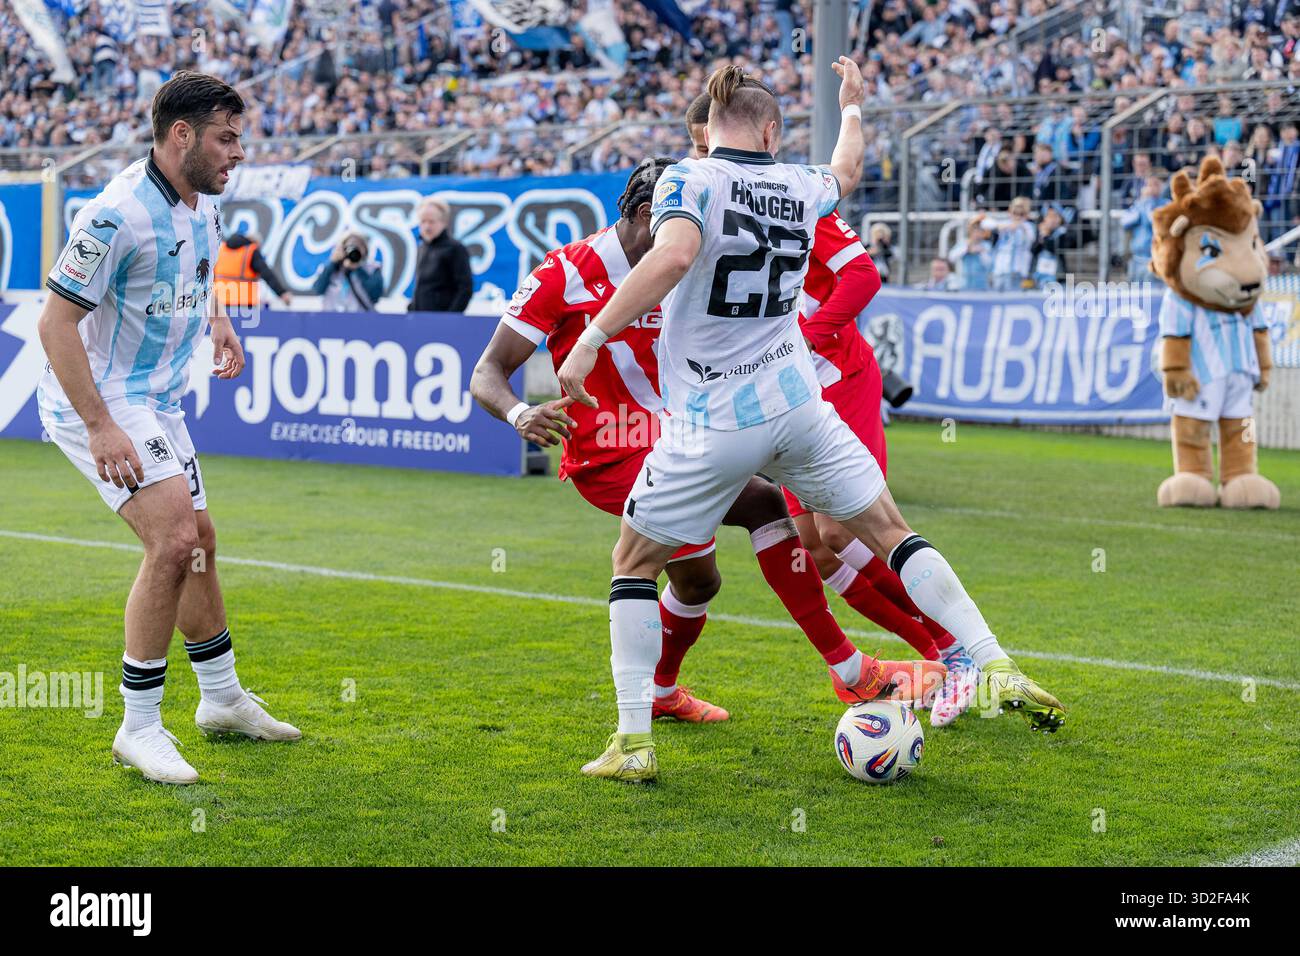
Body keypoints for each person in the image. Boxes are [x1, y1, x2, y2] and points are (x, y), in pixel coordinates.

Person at [557, 62, 1064, 781]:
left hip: (713, 418)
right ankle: (994, 662)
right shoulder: (801, 183)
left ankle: (634, 742)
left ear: (709, 131)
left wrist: (590, 336)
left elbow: (671, 256)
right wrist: (851, 106)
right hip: (798, 405)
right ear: (770, 130)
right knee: (890, 531)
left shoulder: (687, 179)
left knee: (633, 563)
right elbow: (847, 169)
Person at [471, 160, 937, 734]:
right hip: (610, 454)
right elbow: (487, 371)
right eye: (674, 221)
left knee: (700, 581)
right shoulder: (567, 271)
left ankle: (661, 694)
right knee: (762, 508)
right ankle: (850, 669)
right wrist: (520, 412)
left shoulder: (690, 262)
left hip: (683, 436)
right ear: (647, 215)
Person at [35, 71, 300, 786]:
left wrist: (218, 324)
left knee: (202, 541)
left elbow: (200, 272)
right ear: (180, 134)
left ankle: (220, 700)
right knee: (175, 539)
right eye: (226, 137)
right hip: (99, 397)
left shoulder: (201, 203)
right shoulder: (115, 213)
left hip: (157, 399)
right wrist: (98, 426)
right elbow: (55, 323)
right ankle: (139, 727)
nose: (237, 151)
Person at [689, 91, 978, 725]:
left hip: (836, 380)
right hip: (778, 396)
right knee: (817, 550)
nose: (706, 159)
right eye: (698, 149)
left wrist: (808, 337)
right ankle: (933, 653)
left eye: (711, 146)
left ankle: (961, 655)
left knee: (848, 529)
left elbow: (862, 275)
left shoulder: (788, 202)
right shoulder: (697, 209)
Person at [409, 196, 474, 312]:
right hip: (420, 318)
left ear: (444, 222)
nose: (427, 226)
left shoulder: (455, 249)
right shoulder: (422, 247)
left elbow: (465, 289)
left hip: (441, 321)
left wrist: (450, 319)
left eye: (431, 222)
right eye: (423, 221)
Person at [213, 231, 293, 319]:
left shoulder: (221, 248)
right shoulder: (251, 251)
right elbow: (267, 274)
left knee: (223, 331)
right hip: (244, 305)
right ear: (255, 242)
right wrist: (282, 293)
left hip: (220, 303)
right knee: (243, 332)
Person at [311, 231, 384, 311]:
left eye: (359, 246)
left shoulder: (372, 269)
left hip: (362, 319)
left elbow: (375, 296)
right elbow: (318, 290)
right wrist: (333, 263)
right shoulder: (330, 268)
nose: (354, 249)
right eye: (350, 245)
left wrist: (357, 269)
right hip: (332, 319)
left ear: (365, 249)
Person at [991, 196, 1036, 291]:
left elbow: (1031, 238)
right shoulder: (1004, 224)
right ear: (1009, 211)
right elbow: (985, 224)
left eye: (1021, 213)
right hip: (1000, 270)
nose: (1018, 216)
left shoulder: (1029, 226)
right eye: (1015, 212)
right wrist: (1004, 226)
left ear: (1026, 214)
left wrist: (1019, 226)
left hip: (1018, 271)